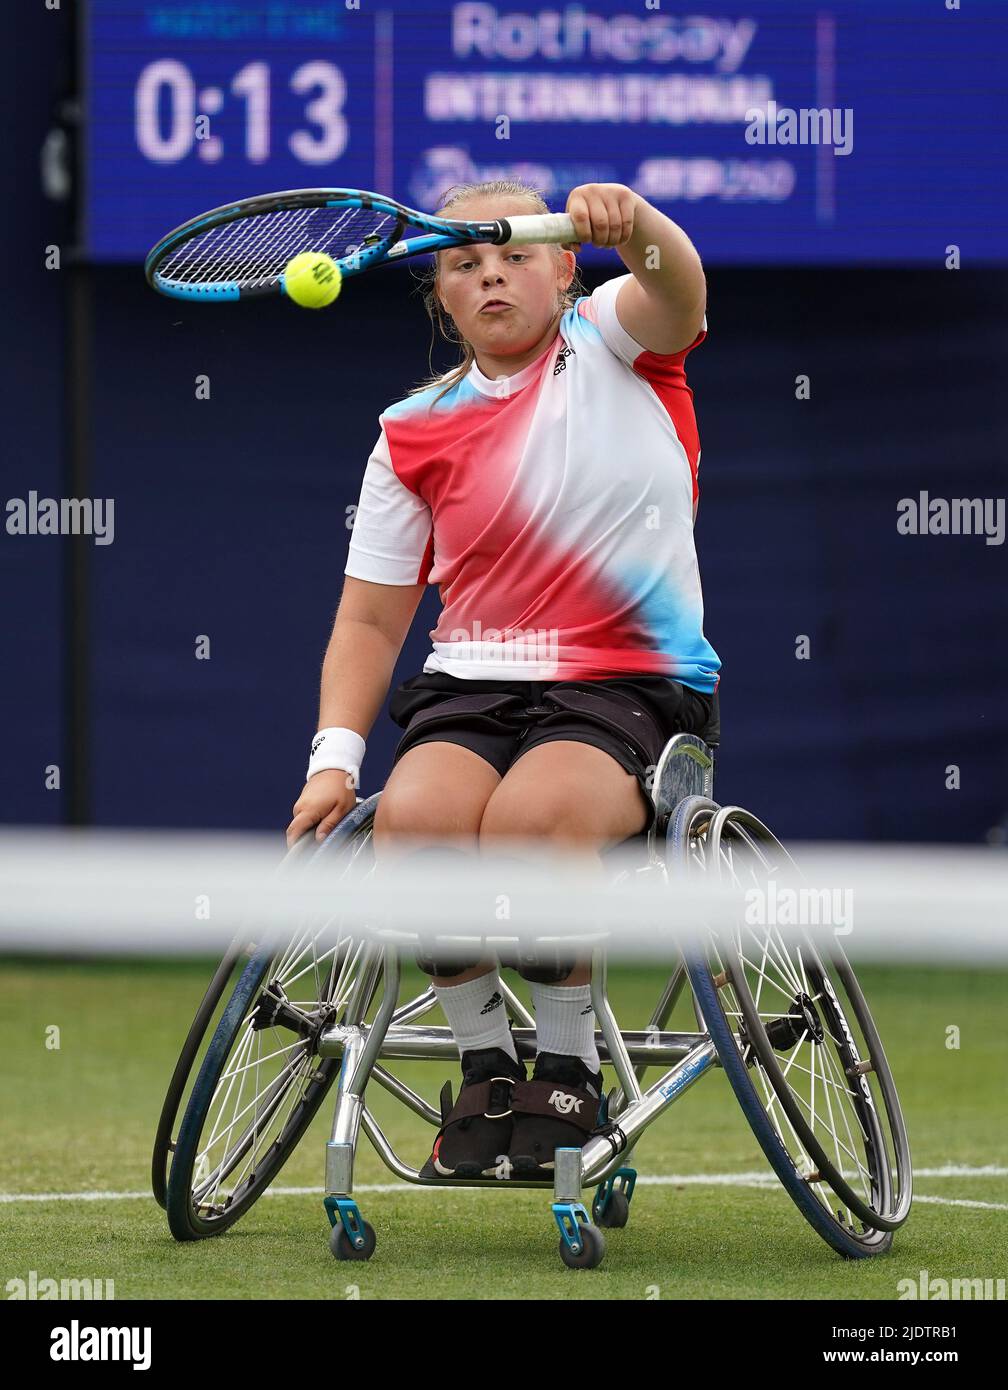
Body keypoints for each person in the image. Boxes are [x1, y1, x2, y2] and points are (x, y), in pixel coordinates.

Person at [286, 180, 720, 1180]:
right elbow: (369, 617)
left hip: (629, 682)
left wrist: (637, 224)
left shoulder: (617, 339)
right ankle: (485, 1068)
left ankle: (565, 1072)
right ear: (440, 296)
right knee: (420, 824)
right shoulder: (410, 432)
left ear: (566, 266)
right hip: (472, 686)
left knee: (530, 826)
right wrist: (333, 760)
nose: (490, 272)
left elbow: (681, 291)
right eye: (463, 262)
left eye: (516, 252)